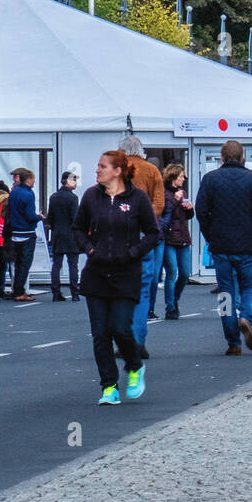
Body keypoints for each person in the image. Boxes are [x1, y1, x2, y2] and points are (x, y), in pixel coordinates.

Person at [73, 151, 158, 404]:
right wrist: (89, 249)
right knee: (100, 334)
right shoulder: (91, 196)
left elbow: (153, 233)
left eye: (103, 166)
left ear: (118, 171)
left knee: (120, 328)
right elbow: (78, 228)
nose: (97, 170)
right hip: (96, 274)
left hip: (126, 273)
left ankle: (135, 365)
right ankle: (109, 386)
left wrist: (133, 252)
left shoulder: (137, 198)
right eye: (98, 166)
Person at [194, 140, 252, 356]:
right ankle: (246, 317)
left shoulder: (210, 179)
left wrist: (210, 235)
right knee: (248, 286)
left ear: (222, 156)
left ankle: (233, 341)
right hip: (247, 243)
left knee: (225, 292)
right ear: (242, 157)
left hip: (221, 245)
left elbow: (201, 210)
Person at [119, 137, 164, 349]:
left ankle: (123, 341)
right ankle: (137, 341)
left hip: (118, 237)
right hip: (143, 237)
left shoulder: (115, 169)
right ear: (141, 150)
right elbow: (159, 204)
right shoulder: (152, 171)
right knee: (143, 291)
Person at [5, 168, 43, 303]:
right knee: (25, 264)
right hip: (27, 232)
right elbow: (30, 216)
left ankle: (16, 290)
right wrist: (39, 217)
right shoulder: (29, 194)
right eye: (33, 179)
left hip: (15, 232)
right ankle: (20, 292)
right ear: (28, 180)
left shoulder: (13, 192)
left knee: (17, 264)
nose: (34, 182)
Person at [160, 164, 194, 318]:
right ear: (173, 177)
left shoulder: (182, 192)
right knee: (172, 272)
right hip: (169, 239)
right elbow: (165, 215)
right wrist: (175, 200)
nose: (183, 178)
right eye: (181, 176)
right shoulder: (164, 193)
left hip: (183, 237)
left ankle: (175, 298)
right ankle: (171, 307)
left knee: (185, 274)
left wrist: (190, 208)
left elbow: (187, 216)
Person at [45, 170, 82, 301]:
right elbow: (75, 218)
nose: (76, 183)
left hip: (57, 234)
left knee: (57, 264)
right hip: (71, 235)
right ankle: (75, 293)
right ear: (68, 181)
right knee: (73, 265)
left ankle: (56, 292)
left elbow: (50, 217)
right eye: (74, 180)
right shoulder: (73, 198)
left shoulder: (53, 197)